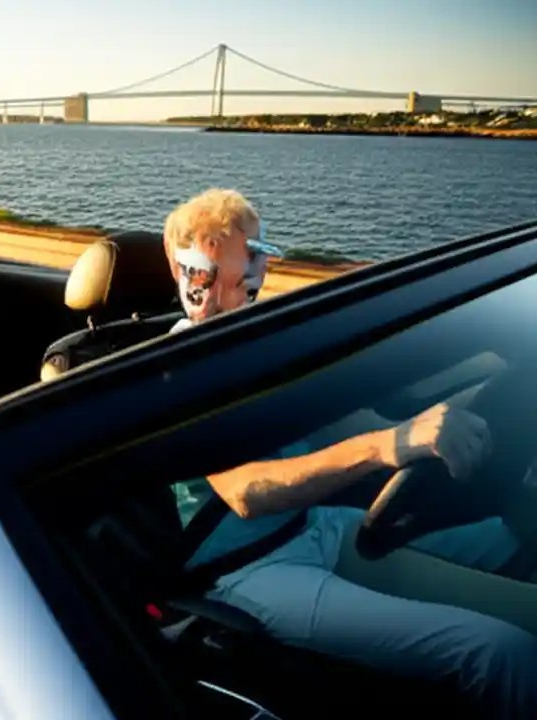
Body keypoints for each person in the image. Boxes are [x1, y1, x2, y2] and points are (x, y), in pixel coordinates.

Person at [163, 188, 537, 717]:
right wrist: (390, 445)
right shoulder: (176, 371)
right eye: (228, 258)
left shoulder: (256, 344)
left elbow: (354, 420)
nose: (251, 270)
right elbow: (246, 492)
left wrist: (444, 420)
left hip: (316, 528)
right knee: (500, 653)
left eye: (255, 252)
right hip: (250, 571)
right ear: (188, 266)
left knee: (512, 538)